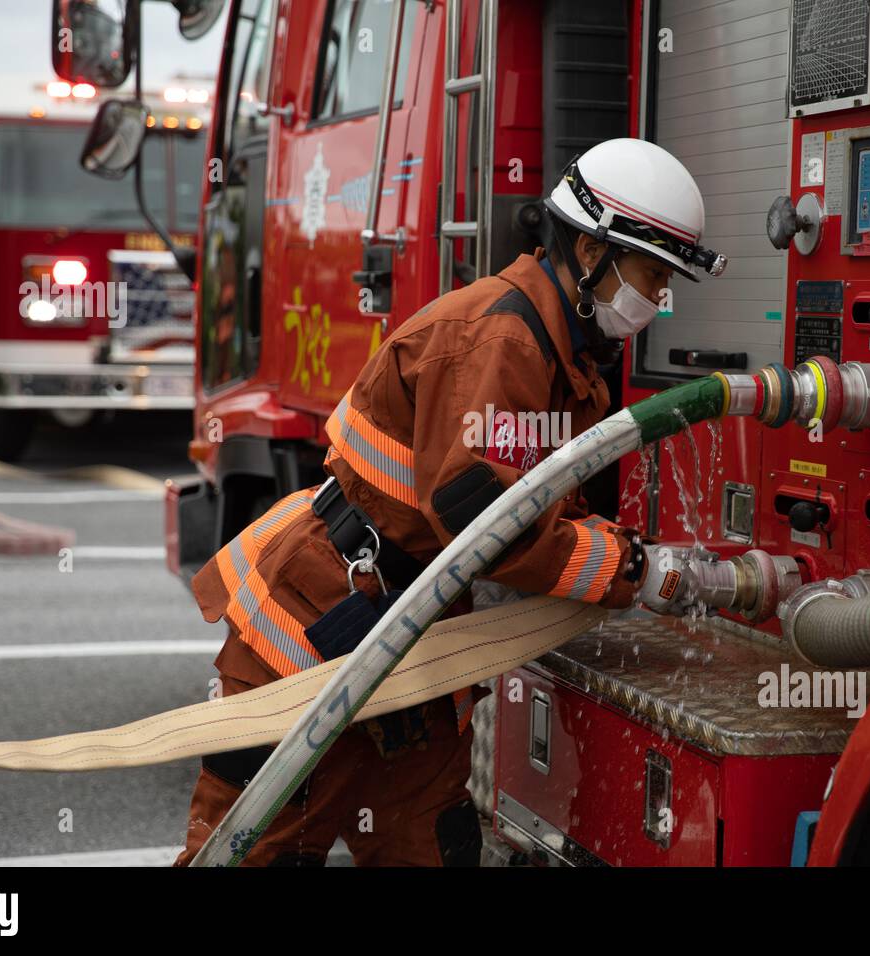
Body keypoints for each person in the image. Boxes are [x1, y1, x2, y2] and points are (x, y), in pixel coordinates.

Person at [173, 138, 726, 867]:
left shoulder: (570, 358)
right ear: (591, 249)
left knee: (433, 848)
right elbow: (485, 524)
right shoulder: (499, 341)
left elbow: (552, 512)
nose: (656, 301)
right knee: (255, 854)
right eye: (652, 276)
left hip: (406, 643)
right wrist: (642, 573)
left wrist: (622, 557)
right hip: (311, 638)